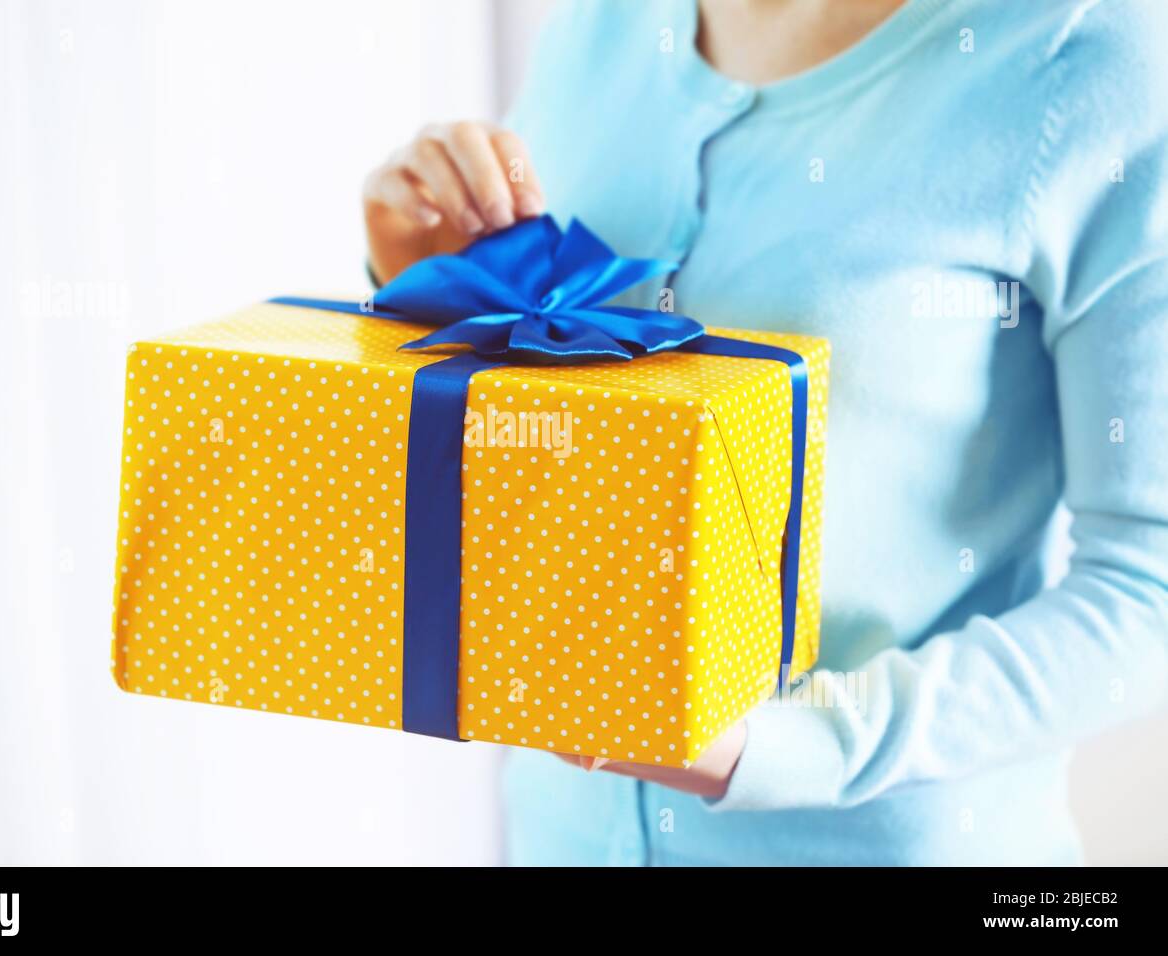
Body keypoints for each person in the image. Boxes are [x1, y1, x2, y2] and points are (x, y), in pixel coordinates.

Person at [361, 0, 1168, 865]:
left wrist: (785, 744)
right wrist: (418, 275)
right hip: (553, 835)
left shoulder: (1084, 49)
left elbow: (1146, 588)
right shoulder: (597, 25)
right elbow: (532, 410)